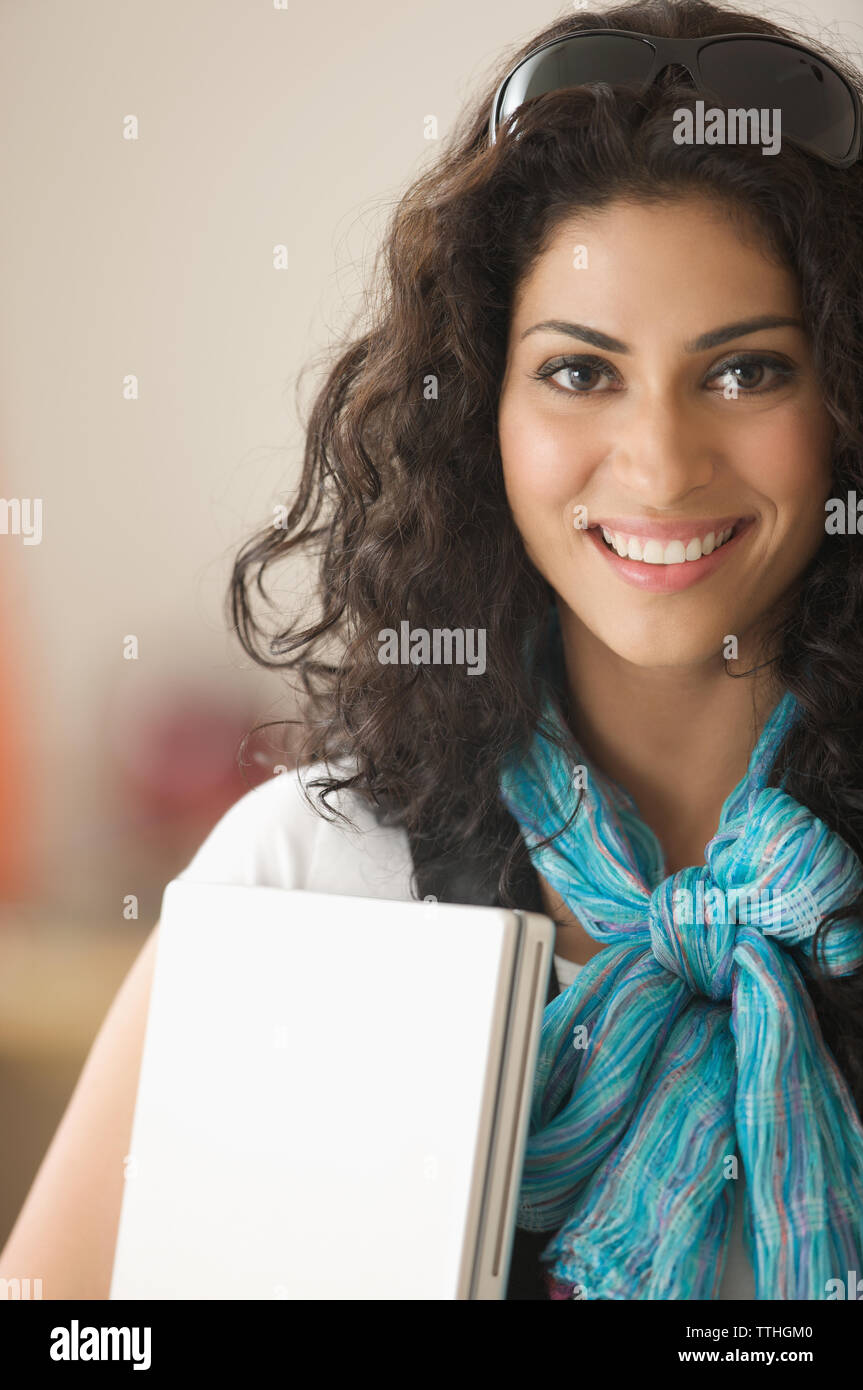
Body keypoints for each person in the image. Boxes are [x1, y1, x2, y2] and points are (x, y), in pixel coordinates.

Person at [3, 0, 863, 1300]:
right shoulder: (307, 882)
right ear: (481, 419)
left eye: (744, 373)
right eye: (582, 372)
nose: (661, 463)